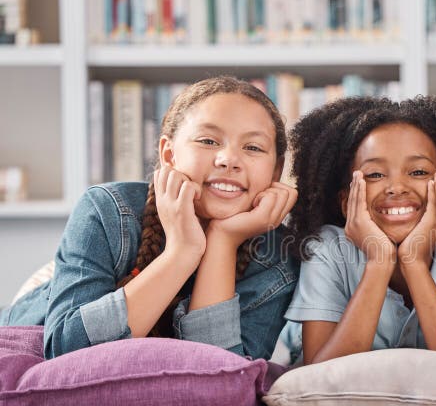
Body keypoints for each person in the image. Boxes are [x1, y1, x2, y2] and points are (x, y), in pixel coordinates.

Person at [1, 76, 298, 360]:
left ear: (275, 171)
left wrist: (223, 241)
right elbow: (67, 351)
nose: (228, 159)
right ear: (169, 155)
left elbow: (220, 376)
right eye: (208, 141)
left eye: (253, 147)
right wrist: (182, 253)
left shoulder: (276, 257)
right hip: (39, 304)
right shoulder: (108, 209)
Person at [278, 96, 436, 365]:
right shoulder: (326, 248)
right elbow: (318, 374)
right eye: (375, 175)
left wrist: (414, 264)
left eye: (418, 172)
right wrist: (380, 262)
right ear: (346, 201)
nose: (397, 187)